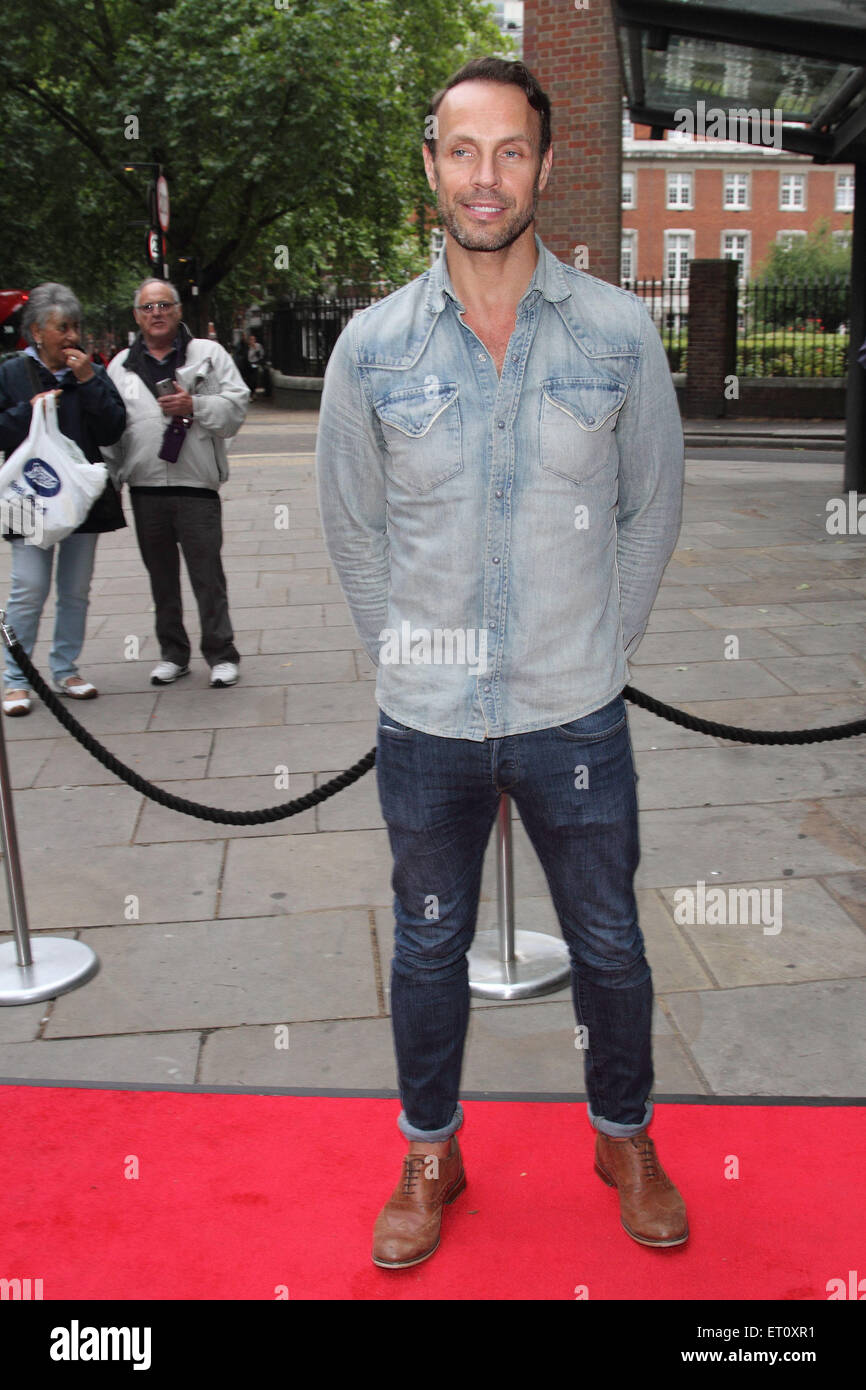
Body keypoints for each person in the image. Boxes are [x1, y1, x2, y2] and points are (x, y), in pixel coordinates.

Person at [316, 57, 686, 1269]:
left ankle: (622, 1133)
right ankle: (430, 1150)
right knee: (425, 947)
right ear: (429, 165)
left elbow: (648, 511)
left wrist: (595, 644)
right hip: (425, 724)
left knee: (611, 945)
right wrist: (407, 656)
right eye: (460, 151)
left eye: (510, 150)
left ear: (542, 162)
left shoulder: (619, 331)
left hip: (574, 715)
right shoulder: (369, 347)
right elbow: (354, 530)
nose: (485, 177)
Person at [101, 279, 248, 688]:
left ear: (178, 310)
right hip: (145, 488)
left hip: (196, 486)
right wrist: (110, 478)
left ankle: (221, 654)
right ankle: (173, 654)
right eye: (148, 308)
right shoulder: (120, 366)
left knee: (207, 575)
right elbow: (111, 429)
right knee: (161, 578)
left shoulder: (208, 354)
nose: (157, 313)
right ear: (137, 316)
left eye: (164, 305)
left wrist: (195, 405)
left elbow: (237, 407)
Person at [0, 282, 126, 716]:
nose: (72, 337)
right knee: (28, 587)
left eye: (75, 327)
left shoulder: (91, 371)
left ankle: (65, 668)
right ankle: (16, 679)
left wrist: (89, 381)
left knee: (75, 590)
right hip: (29, 497)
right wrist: (29, 411)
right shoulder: (11, 372)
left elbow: (113, 429)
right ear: (37, 331)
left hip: (78, 499)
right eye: (62, 328)